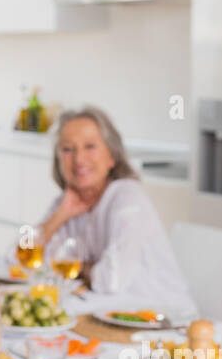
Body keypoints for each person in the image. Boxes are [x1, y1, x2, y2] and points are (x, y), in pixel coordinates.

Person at [38, 107, 196, 313]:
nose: (79, 159)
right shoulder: (68, 202)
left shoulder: (127, 197)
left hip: (163, 319)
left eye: (90, 147)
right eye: (67, 149)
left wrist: (76, 267)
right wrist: (59, 216)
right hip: (108, 315)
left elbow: (111, 280)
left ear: (111, 156)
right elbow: (17, 260)